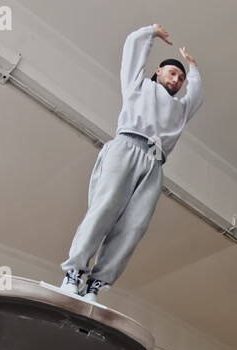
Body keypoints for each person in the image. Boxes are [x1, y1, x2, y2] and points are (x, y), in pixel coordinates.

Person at [59, 23, 203, 303]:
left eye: (181, 79)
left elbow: (196, 95)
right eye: (173, 73)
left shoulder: (181, 109)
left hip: (154, 164)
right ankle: (73, 273)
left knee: (134, 226)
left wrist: (193, 68)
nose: (177, 80)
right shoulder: (138, 86)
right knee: (105, 208)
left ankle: (96, 286)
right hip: (127, 146)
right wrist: (150, 32)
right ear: (158, 71)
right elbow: (132, 50)